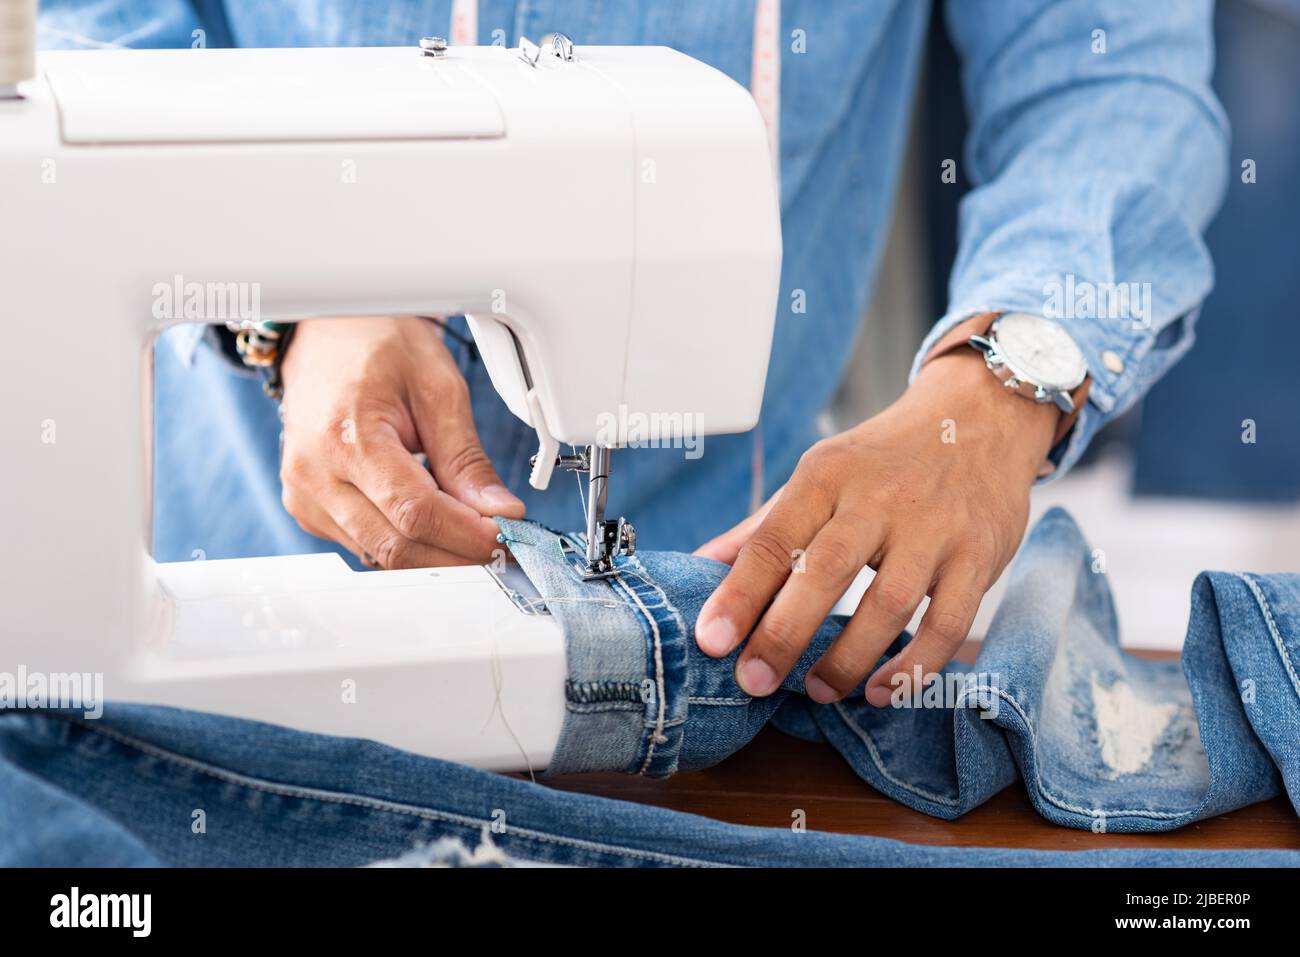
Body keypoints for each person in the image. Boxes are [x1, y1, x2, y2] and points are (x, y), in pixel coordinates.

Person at [41, 0, 1228, 707]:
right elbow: (90, 23)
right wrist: (294, 303)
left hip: (717, 599)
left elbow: (1106, 63)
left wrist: (1002, 384)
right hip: (231, 562)